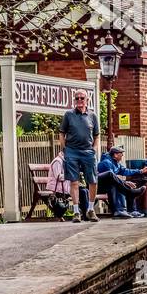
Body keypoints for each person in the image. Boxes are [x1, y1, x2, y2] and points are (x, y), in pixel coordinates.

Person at [59, 89, 101, 222]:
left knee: (92, 181)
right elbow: (61, 133)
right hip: (72, 151)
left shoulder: (92, 116)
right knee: (74, 181)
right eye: (76, 98)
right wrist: (64, 149)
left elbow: (97, 135)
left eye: (82, 98)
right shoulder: (68, 115)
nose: (79, 100)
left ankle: (90, 209)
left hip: (88, 151)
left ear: (87, 100)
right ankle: (76, 212)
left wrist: (94, 149)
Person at [97, 146, 147, 218]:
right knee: (117, 184)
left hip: (109, 185)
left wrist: (140, 171)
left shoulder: (116, 163)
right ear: (115, 155)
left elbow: (125, 171)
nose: (122, 155)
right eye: (121, 153)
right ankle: (120, 210)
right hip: (99, 186)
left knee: (120, 185)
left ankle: (131, 210)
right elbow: (110, 178)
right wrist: (124, 182)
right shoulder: (106, 162)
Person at [46, 150, 90, 221]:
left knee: (85, 190)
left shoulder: (66, 161)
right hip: (57, 188)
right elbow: (58, 176)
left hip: (65, 186)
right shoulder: (57, 161)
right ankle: (85, 215)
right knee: (83, 192)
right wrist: (71, 175)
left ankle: (86, 213)